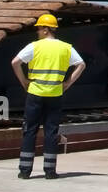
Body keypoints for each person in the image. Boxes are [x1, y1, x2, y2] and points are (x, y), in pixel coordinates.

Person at [12, 13, 85, 179]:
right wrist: (67, 83)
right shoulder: (66, 48)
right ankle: (50, 171)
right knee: (51, 132)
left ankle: (25, 171)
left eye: (39, 28)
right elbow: (81, 64)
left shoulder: (34, 46)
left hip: (35, 93)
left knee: (29, 130)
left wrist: (23, 81)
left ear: (46, 30)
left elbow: (15, 62)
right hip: (55, 94)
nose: (37, 31)